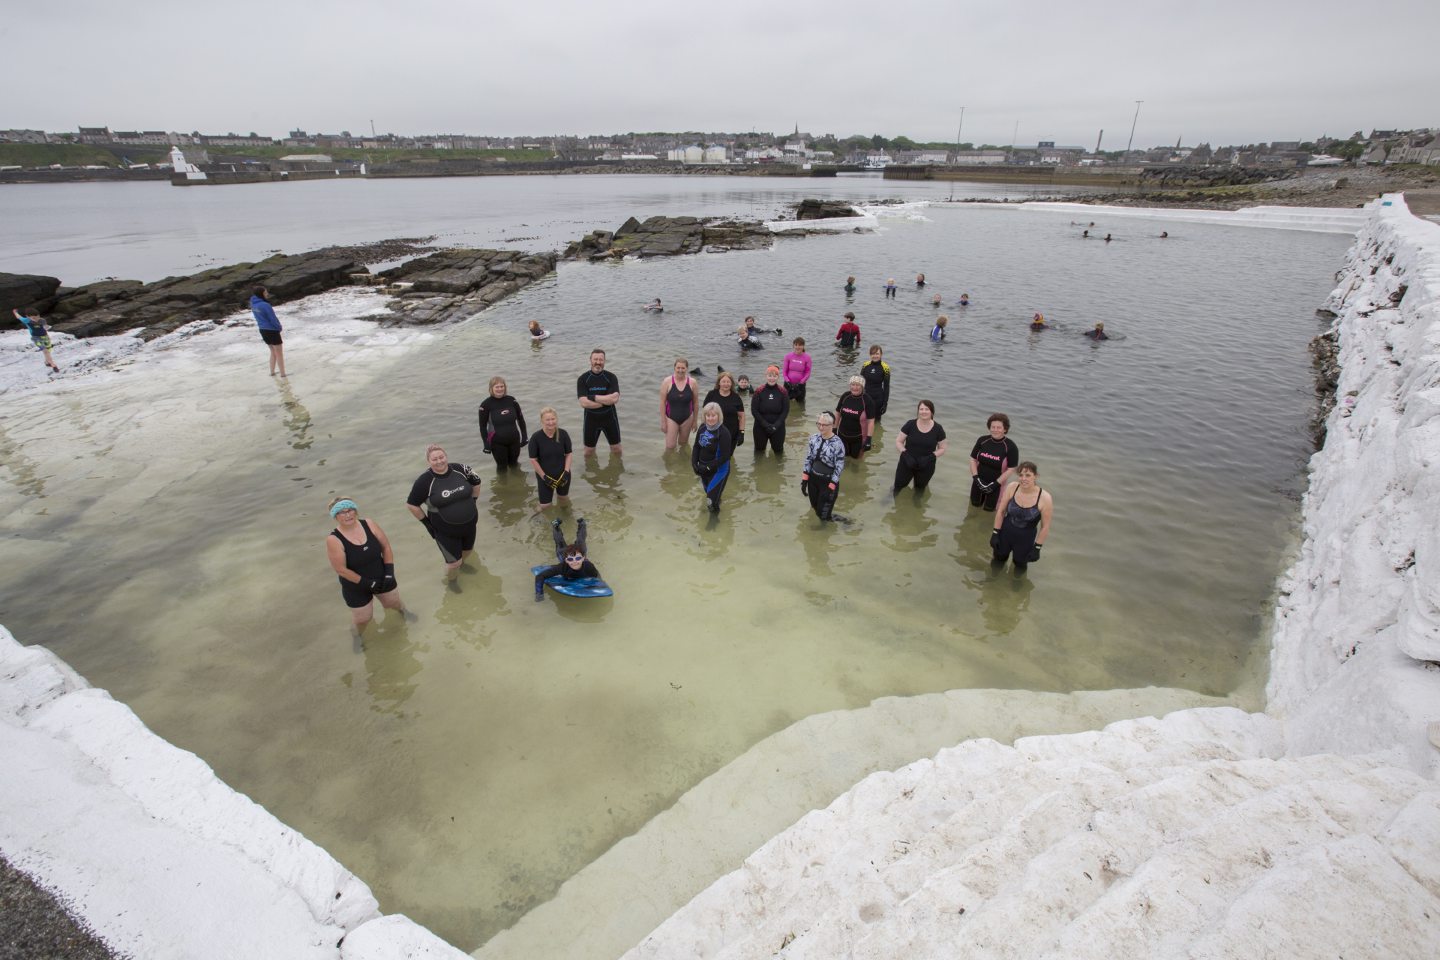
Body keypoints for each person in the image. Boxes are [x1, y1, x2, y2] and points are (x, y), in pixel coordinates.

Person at [325, 497, 409, 632]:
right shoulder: (333, 539)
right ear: (335, 516)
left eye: (350, 510)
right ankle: (357, 637)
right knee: (363, 619)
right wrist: (368, 584)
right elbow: (341, 570)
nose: (348, 515)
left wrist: (389, 573)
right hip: (355, 585)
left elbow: (386, 547)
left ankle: (405, 614)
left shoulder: (369, 524)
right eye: (342, 512)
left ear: (355, 511)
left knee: (394, 604)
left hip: (381, 576)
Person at [406, 444, 483, 580]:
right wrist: (427, 524)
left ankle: (462, 565)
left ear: (446, 456)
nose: (439, 461)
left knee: (468, 551)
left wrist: (474, 501)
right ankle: (452, 581)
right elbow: (412, 505)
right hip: (445, 530)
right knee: (453, 563)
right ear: (428, 461)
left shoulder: (461, 469)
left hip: (470, 525)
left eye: (441, 457)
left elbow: (476, 482)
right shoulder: (424, 481)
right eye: (434, 459)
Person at [991, 462, 1053, 574]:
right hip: (1005, 532)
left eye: (1028, 475)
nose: (1023, 478)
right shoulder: (1012, 487)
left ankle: (1016, 586)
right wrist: (995, 533)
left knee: (1020, 564)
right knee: (998, 559)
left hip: (1025, 538)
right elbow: (1001, 511)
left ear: (1036, 476)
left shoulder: (1045, 498)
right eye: (1021, 475)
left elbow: (1045, 526)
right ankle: (993, 582)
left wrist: (1037, 547)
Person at [534, 518, 600, 601]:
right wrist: (539, 594)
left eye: (578, 558)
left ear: (583, 558)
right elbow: (540, 576)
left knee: (581, 539)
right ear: (566, 560)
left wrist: (596, 587)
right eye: (570, 560)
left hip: (578, 551)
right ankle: (555, 525)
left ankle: (582, 523)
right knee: (559, 541)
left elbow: (597, 577)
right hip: (563, 553)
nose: (575, 561)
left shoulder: (589, 566)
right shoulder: (562, 567)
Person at [893, 400, 948, 494]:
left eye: (927, 409)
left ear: (932, 411)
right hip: (907, 462)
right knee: (899, 485)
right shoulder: (910, 424)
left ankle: (917, 503)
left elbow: (943, 448)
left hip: (926, 464)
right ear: (918, 411)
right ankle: (892, 497)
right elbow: (898, 441)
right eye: (921, 409)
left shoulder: (938, 429)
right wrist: (905, 454)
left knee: (920, 488)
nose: (923, 411)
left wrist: (930, 457)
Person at [801, 411, 847, 521]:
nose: (821, 428)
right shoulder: (813, 438)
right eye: (819, 424)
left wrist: (831, 487)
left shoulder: (838, 443)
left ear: (832, 425)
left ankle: (837, 524)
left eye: (824, 425)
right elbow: (809, 459)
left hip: (827, 482)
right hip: (813, 480)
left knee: (824, 516)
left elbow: (839, 466)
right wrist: (804, 480)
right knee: (815, 508)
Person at [576, 348, 621, 456]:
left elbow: (614, 399)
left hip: (610, 419)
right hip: (591, 420)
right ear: (590, 360)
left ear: (604, 361)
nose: (598, 362)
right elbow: (584, 403)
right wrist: (606, 402)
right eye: (595, 359)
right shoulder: (583, 379)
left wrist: (593, 397)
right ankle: (590, 472)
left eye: (601, 360)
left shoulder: (611, 377)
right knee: (588, 452)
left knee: (616, 449)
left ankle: (616, 471)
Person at [478, 376, 529, 472]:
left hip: (514, 439)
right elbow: (482, 427)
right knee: (502, 467)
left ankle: (517, 484)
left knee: (514, 465)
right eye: (497, 387)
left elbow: (521, 419)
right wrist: (486, 444)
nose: (500, 389)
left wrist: (525, 436)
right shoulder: (485, 405)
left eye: (502, 386)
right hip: (497, 442)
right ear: (491, 388)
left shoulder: (512, 400)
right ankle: (502, 485)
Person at [969, 413, 1019, 510]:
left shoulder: (1010, 446)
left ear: (1005, 429)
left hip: (996, 487)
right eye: (993, 427)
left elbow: (1011, 469)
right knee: (973, 507)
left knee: (989, 512)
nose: (995, 430)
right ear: (989, 427)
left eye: (999, 427)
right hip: (978, 482)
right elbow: (973, 459)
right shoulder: (982, 440)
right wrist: (976, 478)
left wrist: (995, 484)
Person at [527, 407, 574, 510]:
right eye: (547, 420)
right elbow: (533, 460)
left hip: (563, 475)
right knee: (545, 506)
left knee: (563, 499)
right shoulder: (536, 438)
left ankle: (566, 520)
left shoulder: (563, 434)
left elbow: (569, 454)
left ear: (556, 419)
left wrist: (566, 472)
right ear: (542, 421)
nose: (551, 422)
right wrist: (544, 477)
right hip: (545, 477)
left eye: (553, 419)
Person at [691, 402, 733, 513]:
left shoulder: (723, 433)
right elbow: (696, 446)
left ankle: (714, 522)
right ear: (704, 416)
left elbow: (725, 457)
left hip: (719, 470)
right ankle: (717, 503)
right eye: (708, 415)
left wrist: (708, 467)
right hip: (704, 469)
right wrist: (694, 464)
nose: (710, 418)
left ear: (719, 416)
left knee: (710, 499)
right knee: (712, 495)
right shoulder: (702, 427)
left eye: (713, 415)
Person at [750, 364, 790, 456]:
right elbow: (754, 410)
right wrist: (765, 425)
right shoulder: (759, 391)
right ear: (766, 376)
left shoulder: (783, 391)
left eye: (774, 376)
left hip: (778, 427)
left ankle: (777, 470)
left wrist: (776, 425)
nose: (772, 378)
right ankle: (759, 469)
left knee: (778, 451)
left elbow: (785, 410)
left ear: (778, 377)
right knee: (759, 452)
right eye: (770, 375)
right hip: (760, 426)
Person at [660, 357, 698, 451]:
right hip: (671, 418)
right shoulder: (667, 382)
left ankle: (682, 464)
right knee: (670, 446)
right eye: (678, 368)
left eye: (683, 368)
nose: (680, 370)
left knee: (683, 445)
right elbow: (662, 402)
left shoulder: (692, 382)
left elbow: (696, 402)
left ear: (686, 369)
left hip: (687, 418)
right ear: (674, 368)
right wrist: (663, 421)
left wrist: (695, 421)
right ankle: (670, 464)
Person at [249, 286, 286, 377]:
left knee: (272, 351)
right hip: (272, 330)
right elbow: (272, 319)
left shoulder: (253, 305)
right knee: (279, 353)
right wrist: (279, 327)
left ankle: (272, 371)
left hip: (262, 330)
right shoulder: (265, 305)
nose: (267, 294)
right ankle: (283, 374)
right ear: (261, 294)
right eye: (265, 292)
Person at [704, 370, 747, 448]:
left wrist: (742, 433)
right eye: (723, 381)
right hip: (713, 432)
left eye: (728, 382)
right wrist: (703, 428)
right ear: (719, 383)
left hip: (732, 433)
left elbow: (742, 416)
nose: (726, 384)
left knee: (727, 456)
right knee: (713, 455)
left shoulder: (736, 397)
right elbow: (704, 413)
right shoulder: (711, 394)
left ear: (732, 384)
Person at [835, 375, 874, 460]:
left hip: (858, 438)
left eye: (858, 385)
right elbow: (838, 413)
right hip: (842, 435)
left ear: (862, 386)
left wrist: (869, 439)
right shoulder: (845, 396)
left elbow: (871, 421)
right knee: (843, 459)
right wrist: (834, 429)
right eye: (853, 384)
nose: (855, 387)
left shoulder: (867, 400)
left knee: (856, 463)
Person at [12, 308, 60, 374]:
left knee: (48, 351)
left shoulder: (42, 320)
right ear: (27, 317)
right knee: (45, 350)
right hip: (36, 338)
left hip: (45, 337)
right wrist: (15, 312)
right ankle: (53, 365)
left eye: (38, 317)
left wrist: (48, 333)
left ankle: (47, 362)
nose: (37, 319)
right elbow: (19, 317)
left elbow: (45, 328)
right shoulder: (27, 321)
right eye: (34, 318)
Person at [860, 344, 891, 434]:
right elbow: (860, 382)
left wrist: (885, 403)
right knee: (863, 419)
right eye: (873, 354)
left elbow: (886, 386)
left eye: (877, 353)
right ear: (870, 355)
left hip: (878, 398)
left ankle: (876, 438)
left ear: (881, 354)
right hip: (865, 397)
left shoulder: (885, 368)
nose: (875, 356)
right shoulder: (865, 365)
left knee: (876, 422)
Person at [782, 337, 812, 405]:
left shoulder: (807, 357)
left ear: (803, 346)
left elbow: (808, 372)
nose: (798, 347)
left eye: (800, 345)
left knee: (801, 404)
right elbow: (784, 372)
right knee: (785, 404)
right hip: (788, 384)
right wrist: (787, 381)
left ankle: (800, 416)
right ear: (793, 346)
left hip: (800, 385)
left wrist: (801, 383)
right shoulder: (788, 356)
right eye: (796, 345)